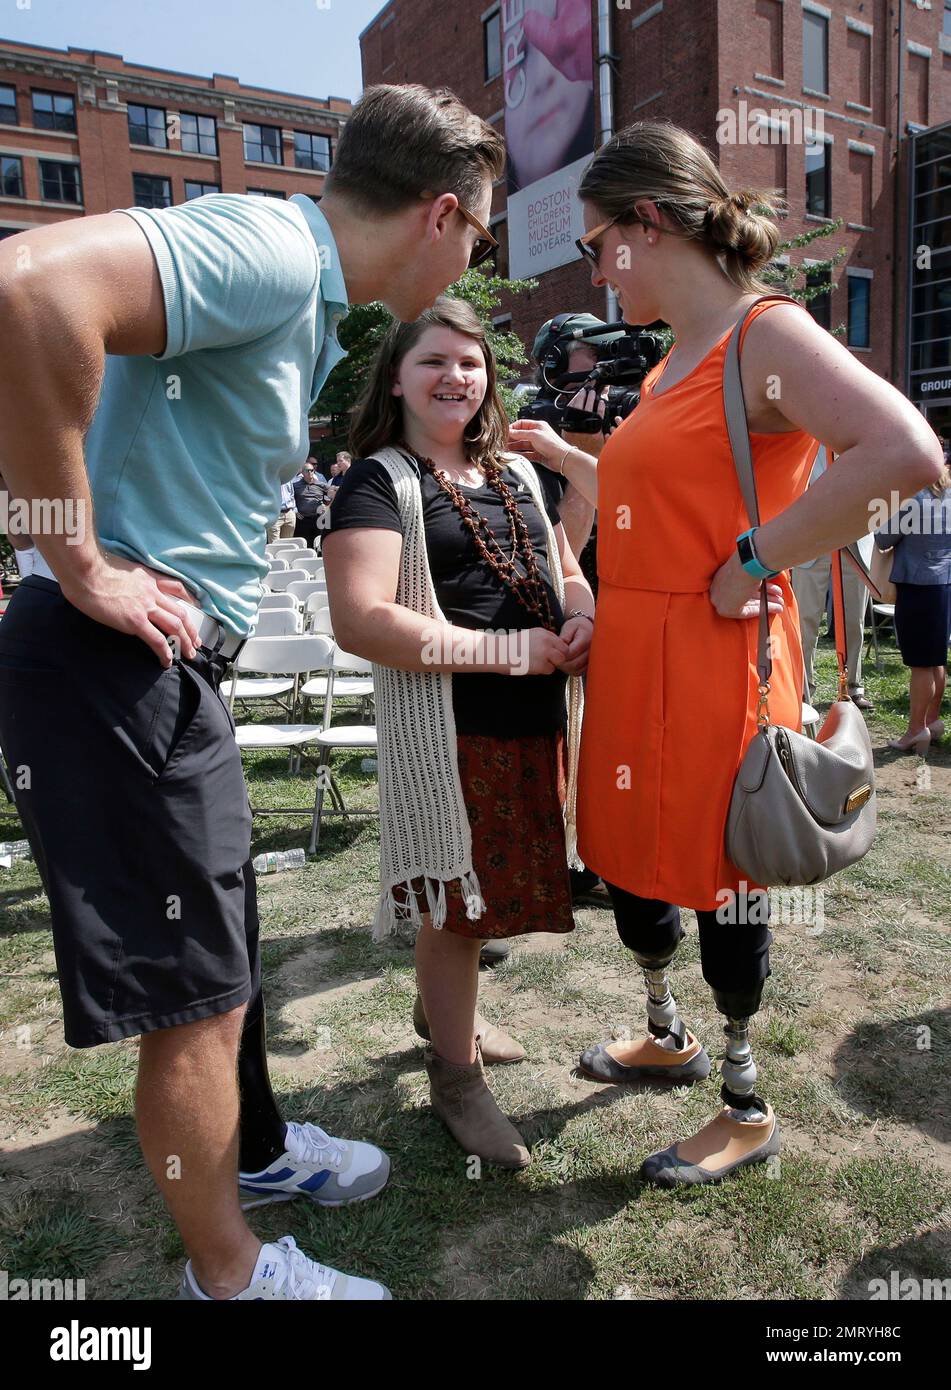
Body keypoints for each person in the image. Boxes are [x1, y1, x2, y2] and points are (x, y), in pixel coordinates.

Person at [0, 82, 505, 1300]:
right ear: (442, 215)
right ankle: (228, 1279)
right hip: (118, 666)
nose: (472, 259)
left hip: (162, 670)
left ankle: (262, 1157)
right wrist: (76, 552)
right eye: (480, 236)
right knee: (196, 1007)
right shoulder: (279, 250)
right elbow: (26, 287)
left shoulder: (301, 287)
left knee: (221, 962)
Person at [509, 119, 943, 1186]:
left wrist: (756, 558)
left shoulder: (767, 336)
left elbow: (906, 455)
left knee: (726, 871)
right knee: (633, 854)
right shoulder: (672, 359)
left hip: (722, 655)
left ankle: (746, 1103)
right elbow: (646, 492)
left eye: (597, 243)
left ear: (648, 224)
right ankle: (665, 1030)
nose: (597, 271)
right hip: (638, 648)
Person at [322, 296, 591, 1170]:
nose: (455, 377)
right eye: (434, 361)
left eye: (470, 362)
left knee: (484, 906)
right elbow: (360, 622)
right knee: (462, 910)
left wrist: (580, 618)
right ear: (396, 378)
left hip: (535, 723)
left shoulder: (518, 475)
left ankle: (442, 1016)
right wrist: (507, 650)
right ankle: (456, 1078)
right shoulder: (374, 481)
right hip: (451, 732)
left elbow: (565, 571)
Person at [873, 457, 951, 754]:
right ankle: (931, 720)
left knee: (920, 664)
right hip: (944, 584)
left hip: (917, 585)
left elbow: (883, 538)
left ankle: (915, 730)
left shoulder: (911, 498)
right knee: (936, 659)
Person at [792, 444, 874, 709]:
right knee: (804, 619)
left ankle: (853, 685)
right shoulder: (803, 438)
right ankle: (802, 688)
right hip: (810, 540)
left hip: (854, 537)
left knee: (853, 621)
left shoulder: (862, 436)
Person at [293, 458, 330, 547]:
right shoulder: (295, 485)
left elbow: (332, 494)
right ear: (302, 472)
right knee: (305, 543)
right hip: (303, 519)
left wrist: (327, 505)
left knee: (320, 543)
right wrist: (295, 510)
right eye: (307, 470)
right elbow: (291, 498)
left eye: (312, 470)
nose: (310, 472)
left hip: (319, 518)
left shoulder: (321, 485)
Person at [266, 476, 298, 543]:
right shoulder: (268, 478)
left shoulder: (288, 479)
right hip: (275, 514)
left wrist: (293, 510)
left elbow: (292, 494)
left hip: (289, 513)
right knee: (274, 545)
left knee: (288, 544)